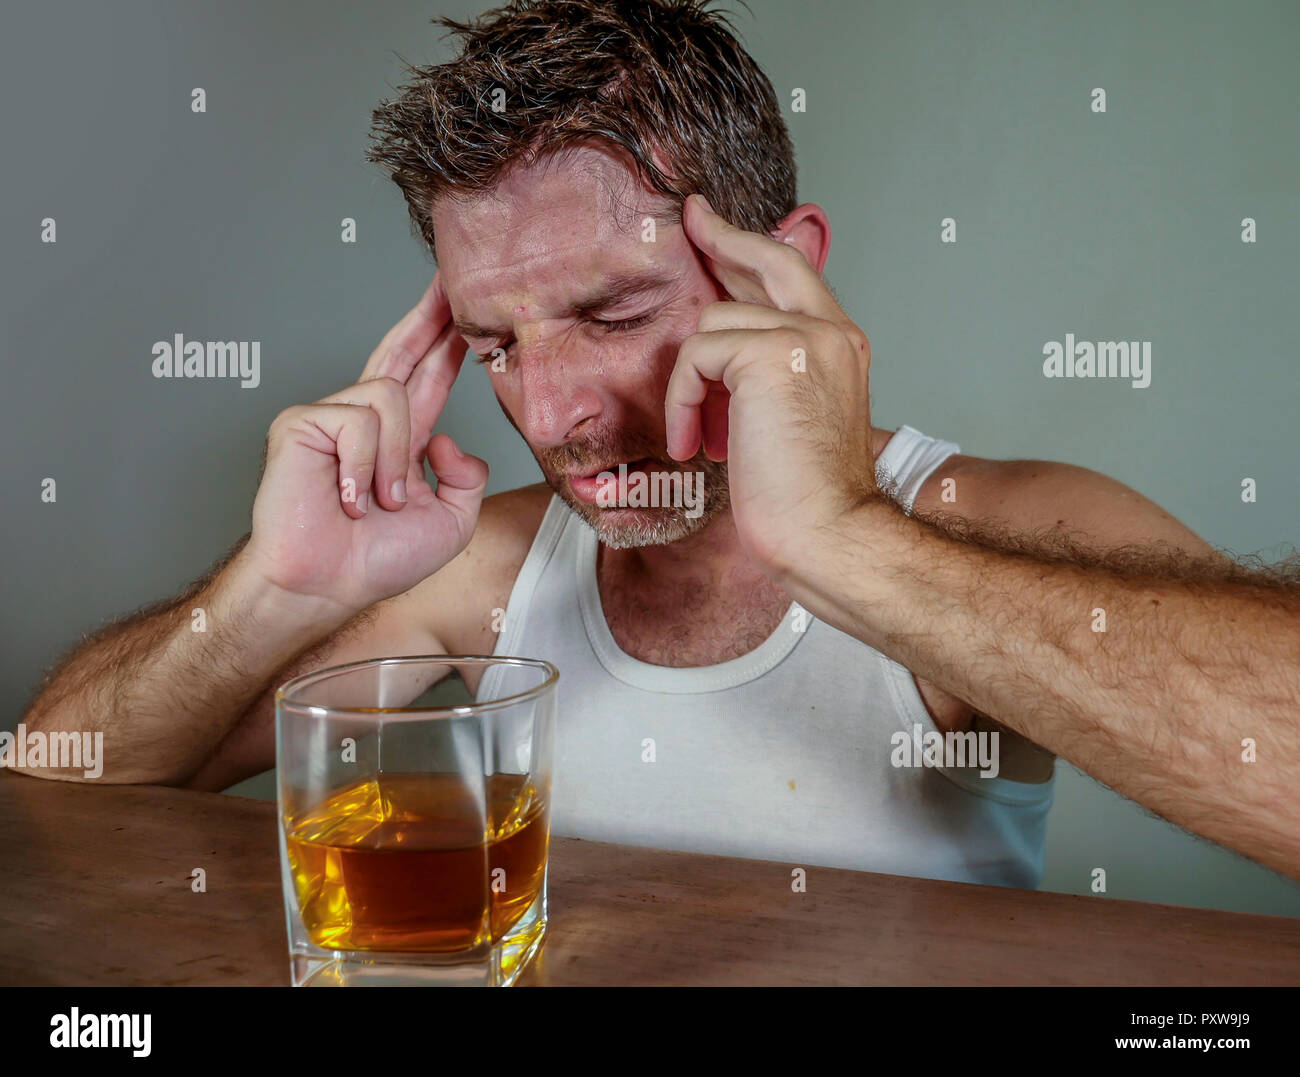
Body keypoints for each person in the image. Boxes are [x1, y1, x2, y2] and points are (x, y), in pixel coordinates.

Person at [13, 0, 1287, 889]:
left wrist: (842, 539)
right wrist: (267, 592)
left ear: (782, 271)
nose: (553, 414)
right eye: (494, 343)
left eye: (613, 313)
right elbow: (48, 793)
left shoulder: (985, 519)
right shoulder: (486, 574)